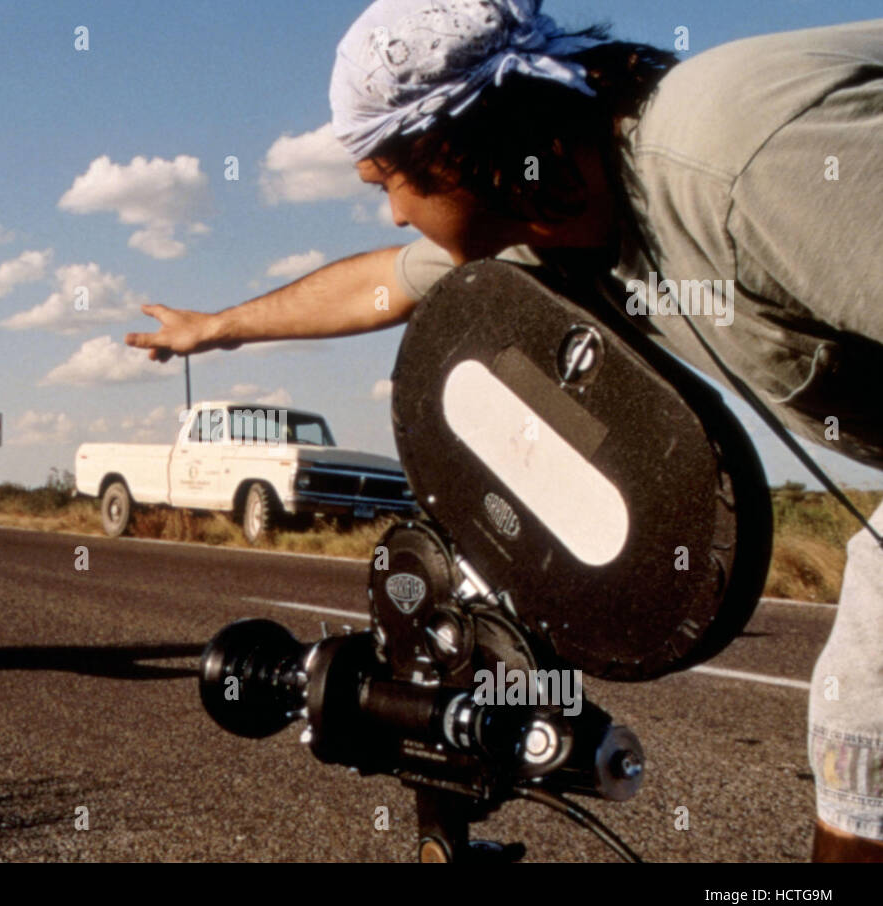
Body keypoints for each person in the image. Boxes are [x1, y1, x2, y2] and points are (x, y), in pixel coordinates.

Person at [125, 1, 883, 861]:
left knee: (869, 705)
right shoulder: (542, 229)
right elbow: (382, 285)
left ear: (455, 147)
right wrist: (216, 327)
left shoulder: (741, 161)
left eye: (387, 184)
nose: (394, 216)